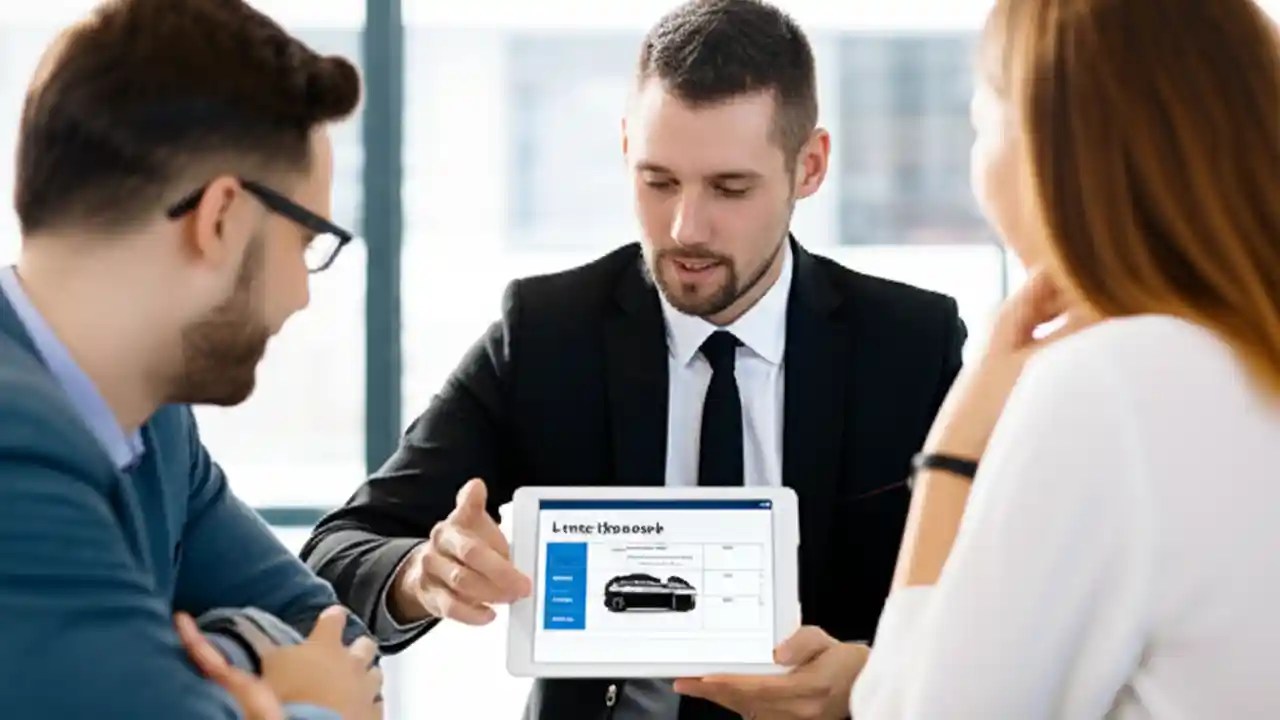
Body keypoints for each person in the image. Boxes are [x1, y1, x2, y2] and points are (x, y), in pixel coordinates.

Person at [303, 1, 966, 718]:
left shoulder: (910, 343)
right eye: (658, 181)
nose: (686, 228)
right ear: (626, 149)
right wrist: (420, 575)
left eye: (729, 188)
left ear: (809, 166)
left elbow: (997, 603)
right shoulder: (549, 333)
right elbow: (335, 554)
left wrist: (878, 677)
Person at [846, 0, 1280, 716]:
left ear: (1055, 149)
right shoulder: (1235, 361)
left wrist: (951, 455)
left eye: (983, 122)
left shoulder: (1115, 386)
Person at [0, 0, 380, 718]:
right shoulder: (16, 448)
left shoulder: (156, 431)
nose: (301, 296)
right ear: (222, 220)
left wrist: (220, 659)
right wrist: (300, 705)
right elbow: (331, 691)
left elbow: (338, 643)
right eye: (304, 246)